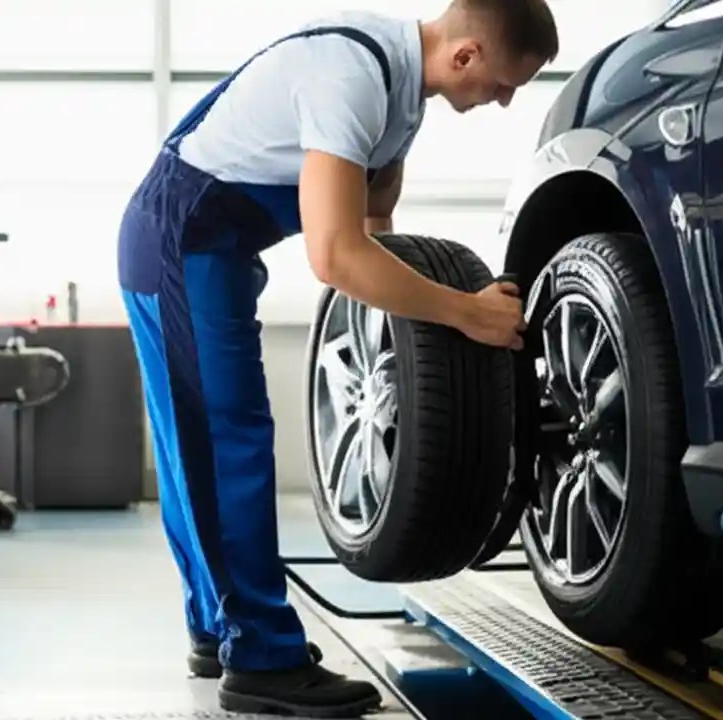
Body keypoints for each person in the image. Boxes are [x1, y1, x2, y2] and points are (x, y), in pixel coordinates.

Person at [116, 0, 558, 715]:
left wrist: (430, 357)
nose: (504, 102)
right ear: (468, 56)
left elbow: (377, 232)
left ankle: (217, 627)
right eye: (506, 84)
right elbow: (336, 255)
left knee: (203, 445)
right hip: (179, 241)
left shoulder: (405, 97)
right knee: (221, 444)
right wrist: (467, 312)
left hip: (215, 248)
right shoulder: (351, 75)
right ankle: (261, 662)